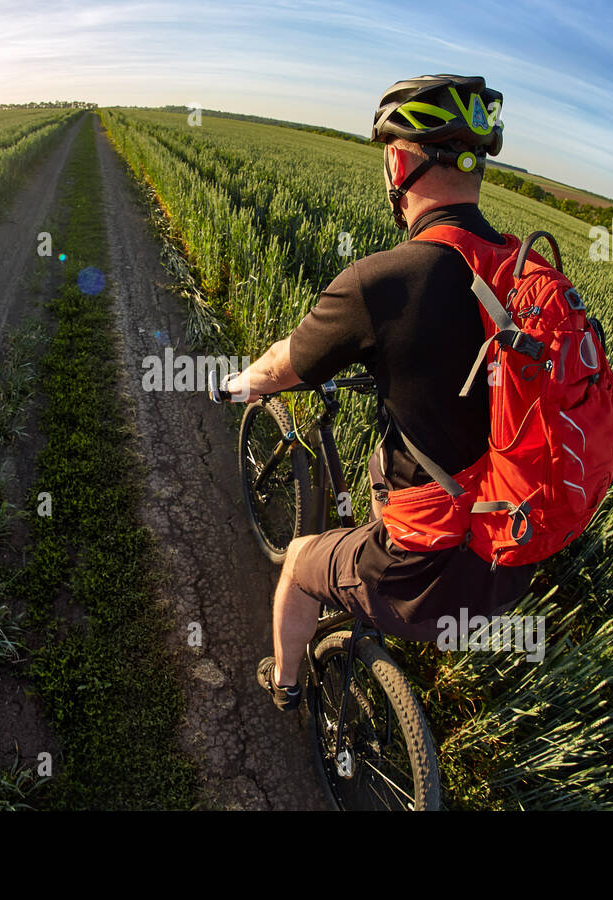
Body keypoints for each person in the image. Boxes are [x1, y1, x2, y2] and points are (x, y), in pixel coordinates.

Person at [221, 75, 536, 711]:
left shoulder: (384, 281)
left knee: (302, 563)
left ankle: (285, 688)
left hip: (429, 574)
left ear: (399, 160)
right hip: (514, 557)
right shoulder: (527, 277)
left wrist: (238, 386)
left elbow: (287, 365)